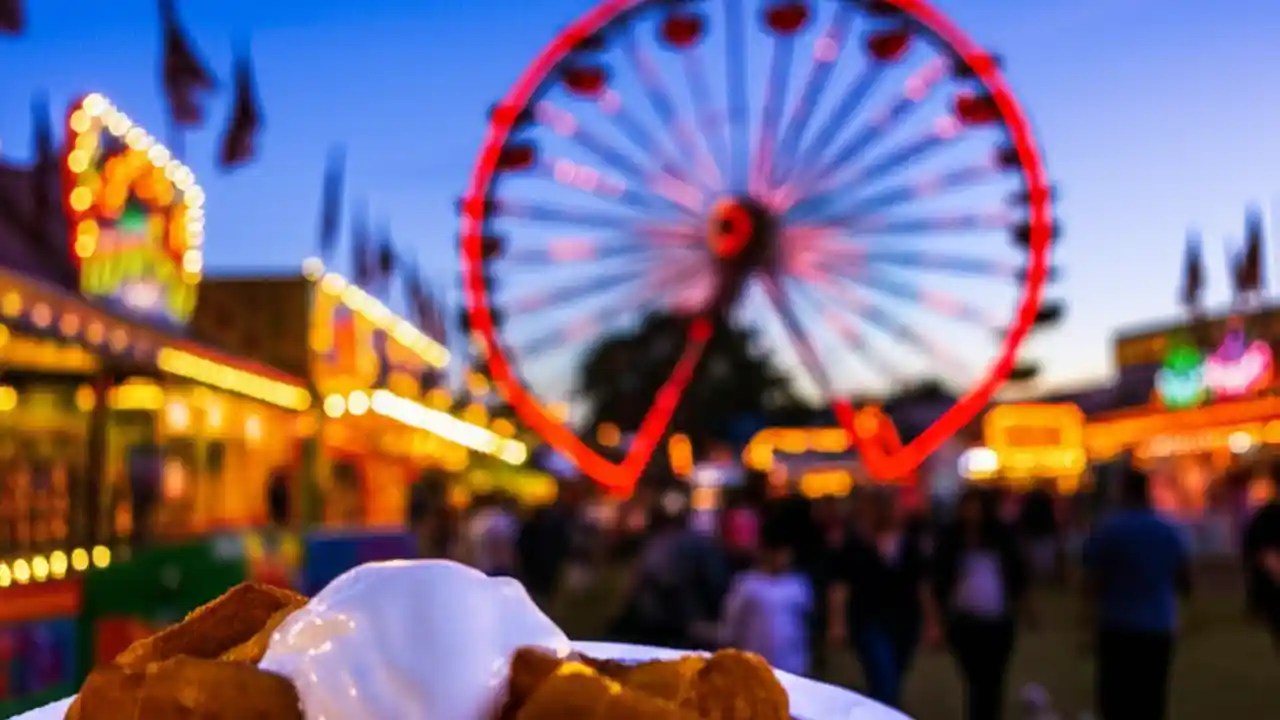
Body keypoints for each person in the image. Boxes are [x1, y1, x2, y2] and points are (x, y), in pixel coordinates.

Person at [1083, 464, 1190, 720]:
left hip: (1118, 624)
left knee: (1116, 700)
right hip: (1158, 625)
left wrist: (1087, 620)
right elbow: (1184, 578)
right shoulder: (1167, 530)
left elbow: (1093, 579)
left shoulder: (1110, 530)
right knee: (1152, 698)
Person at [828, 488, 936, 710]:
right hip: (869, 619)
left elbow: (921, 585)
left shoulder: (909, 543)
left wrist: (931, 622)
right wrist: (837, 623)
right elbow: (840, 587)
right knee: (883, 678)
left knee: (895, 676)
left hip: (904, 620)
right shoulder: (855, 544)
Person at [933, 487, 1029, 720]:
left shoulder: (1002, 538)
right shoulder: (951, 539)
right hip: (964, 620)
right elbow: (938, 577)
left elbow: (1018, 574)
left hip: (996, 620)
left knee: (993, 678)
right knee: (975, 679)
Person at [720, 519, 813, 675]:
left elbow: (805, 623)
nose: (783, 559)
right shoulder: (746, 583)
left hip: (792, 665)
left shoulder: (799, 584)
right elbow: (732, 624)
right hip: (753, 664)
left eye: (787, 554)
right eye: (779, 553)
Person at [462, 493, 521, 577]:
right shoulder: (502, 519)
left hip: (480, 566)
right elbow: (504, 544)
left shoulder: (476, 519)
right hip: (499, 567)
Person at [1018, 480, 1061, 586]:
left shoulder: (1033, 502)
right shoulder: (1045, 501)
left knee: (1039, 564)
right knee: (1043, 564)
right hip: (1041, 536)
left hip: (1039, 536)